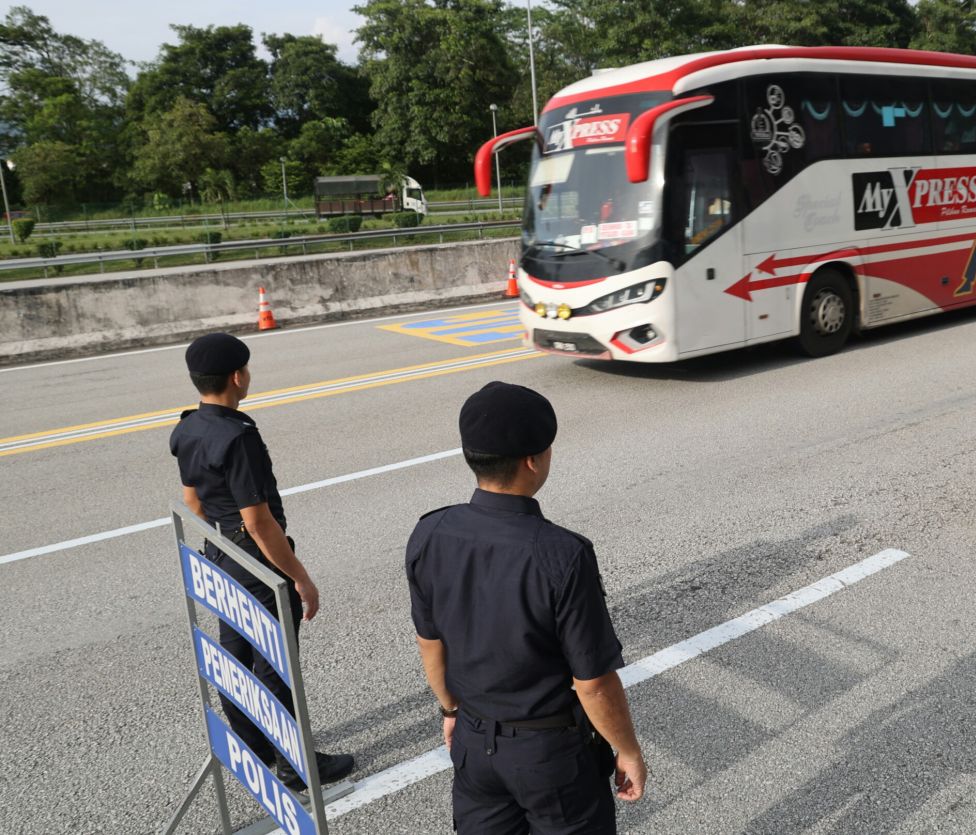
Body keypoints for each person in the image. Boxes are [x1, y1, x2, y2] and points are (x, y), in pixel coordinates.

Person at [405, 381, 646, 834]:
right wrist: (627, 749)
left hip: (474, 744)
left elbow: (429, 641)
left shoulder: (430, 532)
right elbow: (592, 682)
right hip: (549, 754)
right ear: (533, 461)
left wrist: (451, 711)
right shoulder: (562, 553)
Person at [170, 332, 354, 793]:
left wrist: (225, 537)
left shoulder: (186, 428)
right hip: (255, 562)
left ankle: (252, 746)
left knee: (235, 657)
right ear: (238, 376)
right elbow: (259, 522)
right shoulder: (238, 436)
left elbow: (193, 500)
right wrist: (301, 579)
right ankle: (294, 764)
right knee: (274, 666)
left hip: (222, 555)